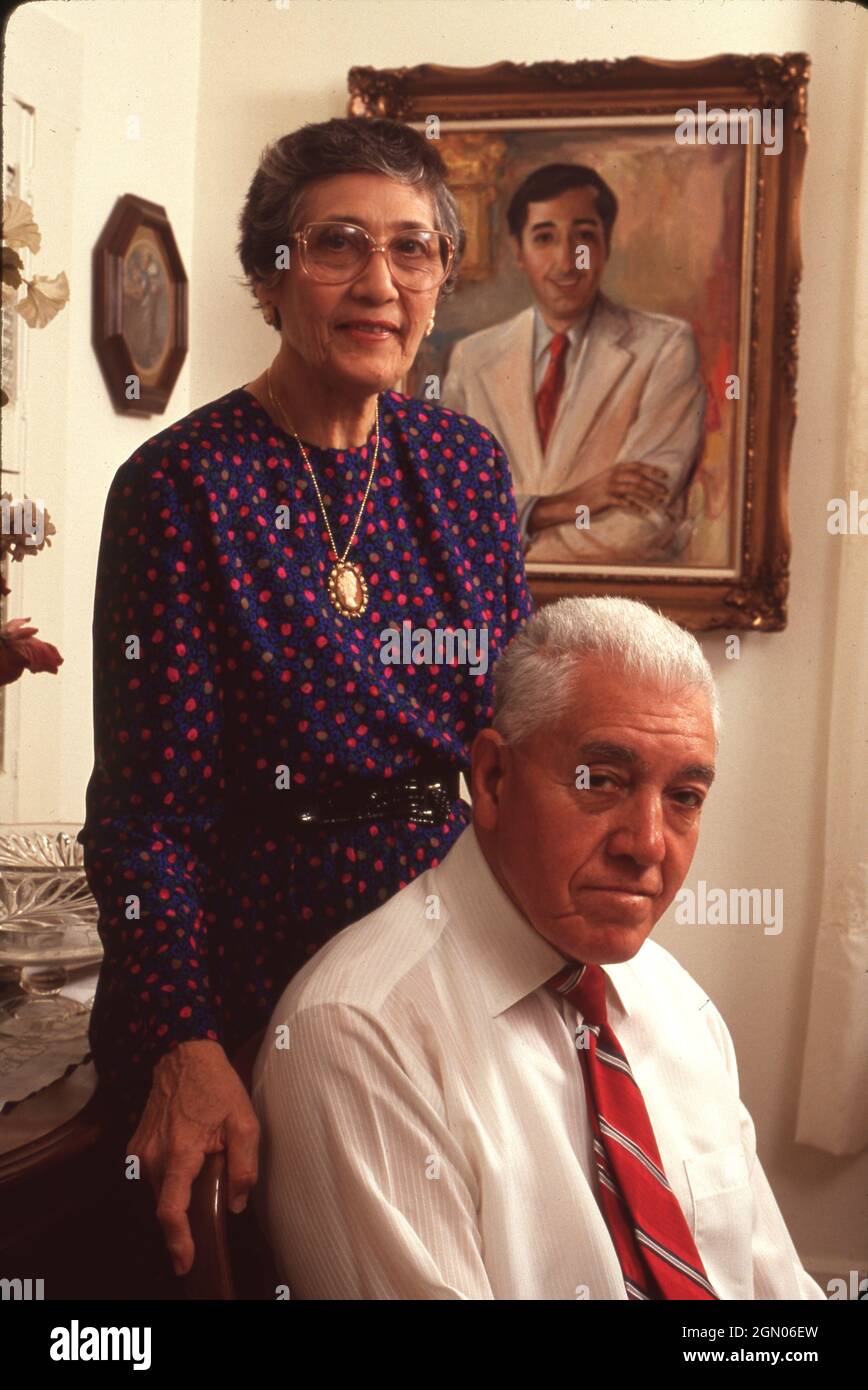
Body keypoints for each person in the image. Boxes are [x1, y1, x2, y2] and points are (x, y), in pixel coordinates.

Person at [78, 115, 533, 1279]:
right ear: (268, 278)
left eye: (412, 249)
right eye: (335, 245)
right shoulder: (178, 487)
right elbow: (144, 813)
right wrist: (184, 1038)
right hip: (244, 970)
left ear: (438, 277)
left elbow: (512, 738)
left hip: (449, 946)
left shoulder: (467, 469)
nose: (378, 283)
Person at [253, 595, 825, 1301]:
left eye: (684, 796)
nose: (647, 844)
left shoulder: (678, 1004)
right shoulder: (356, 1033)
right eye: (602, 781)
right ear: (492, 780)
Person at [442, 164, 706, 565]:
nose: (567, 261)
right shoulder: (472, 357)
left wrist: (510, 543)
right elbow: (449, 511)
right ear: (518, 251)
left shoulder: (665, 347)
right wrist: (569, 503)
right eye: (544, 238)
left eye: (584, 236)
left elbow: (645, 524)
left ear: (606, 245)